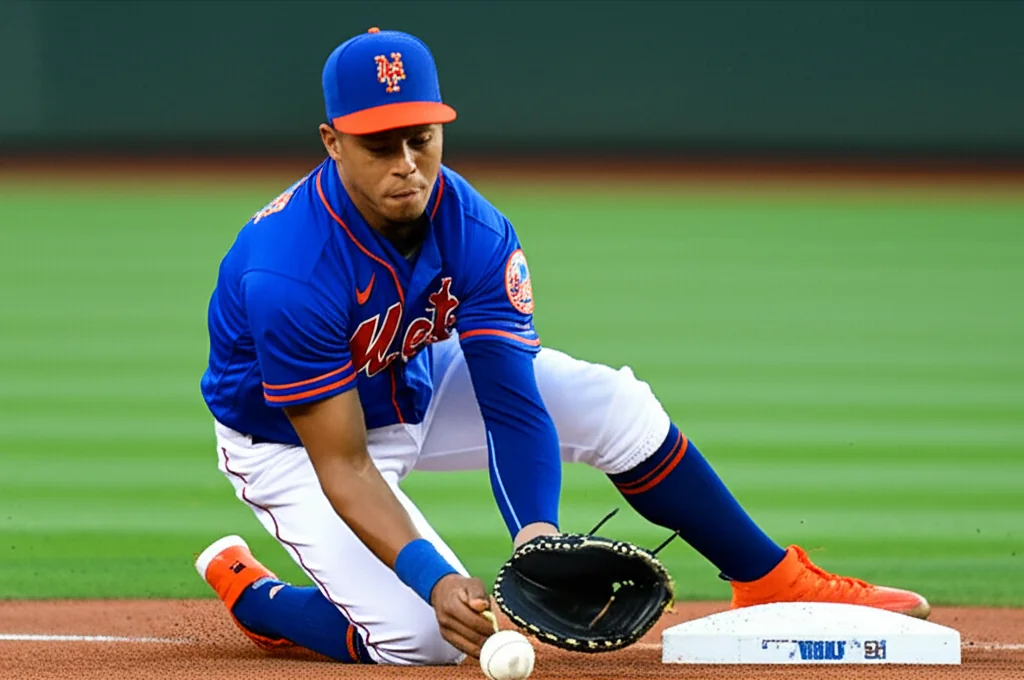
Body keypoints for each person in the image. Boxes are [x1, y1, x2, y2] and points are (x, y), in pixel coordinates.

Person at [195, 27, 929, 666]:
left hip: (407, 378)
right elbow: (345, 464)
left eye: (422, 138)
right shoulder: (289, 271)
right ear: (332, 142)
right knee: (428, 640)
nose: (408, 163)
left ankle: (769, 576)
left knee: (612, 404)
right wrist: (433, 578)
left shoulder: (476, 229)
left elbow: (512, 403)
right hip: (290, 440)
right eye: (379, 145)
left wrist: (535, 539)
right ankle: (258, 597)